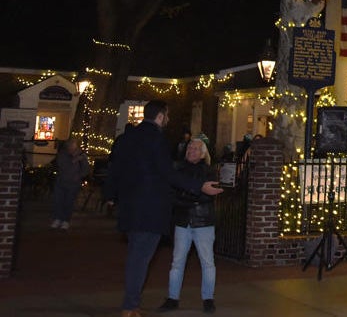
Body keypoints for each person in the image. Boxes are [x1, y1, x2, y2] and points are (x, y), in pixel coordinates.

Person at [104, 100, 222, 317]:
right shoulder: (156, 139)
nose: (167, 120)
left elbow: (115, 169)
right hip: (150, 209)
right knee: (140, 258)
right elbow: (167, 173)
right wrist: (200, 186)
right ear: (160, 116)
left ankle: (131, 303)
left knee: (135, 256)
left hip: (130, 207)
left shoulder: (126, 138)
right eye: (166, 115)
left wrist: (111, 196)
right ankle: (130, 306)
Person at [159, 139, 218, 314]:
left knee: (207, 262)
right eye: (189, 147)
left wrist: (188, 195)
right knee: (177, 262)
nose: (191, 150)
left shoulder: (208, 171)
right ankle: (172, 297)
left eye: (195, 148)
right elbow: (172, 194)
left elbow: (209, 195)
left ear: (202, 153)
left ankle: (208, 298)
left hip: (203, 221)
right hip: (182, 221)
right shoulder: (178, 169)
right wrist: (196, 193)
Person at [51, 138, 90, 230]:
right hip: (61, 181)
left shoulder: (82, 156)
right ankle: (57, 219)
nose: (72, 150)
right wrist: (74, 160)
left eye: (74, 148)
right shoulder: (63, 154)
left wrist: (79, 175)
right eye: (70, 147)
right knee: (58, 201)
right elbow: (61, 165)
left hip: (73, 183)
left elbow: (86, 169)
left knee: (69, 202)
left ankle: (65, 220)